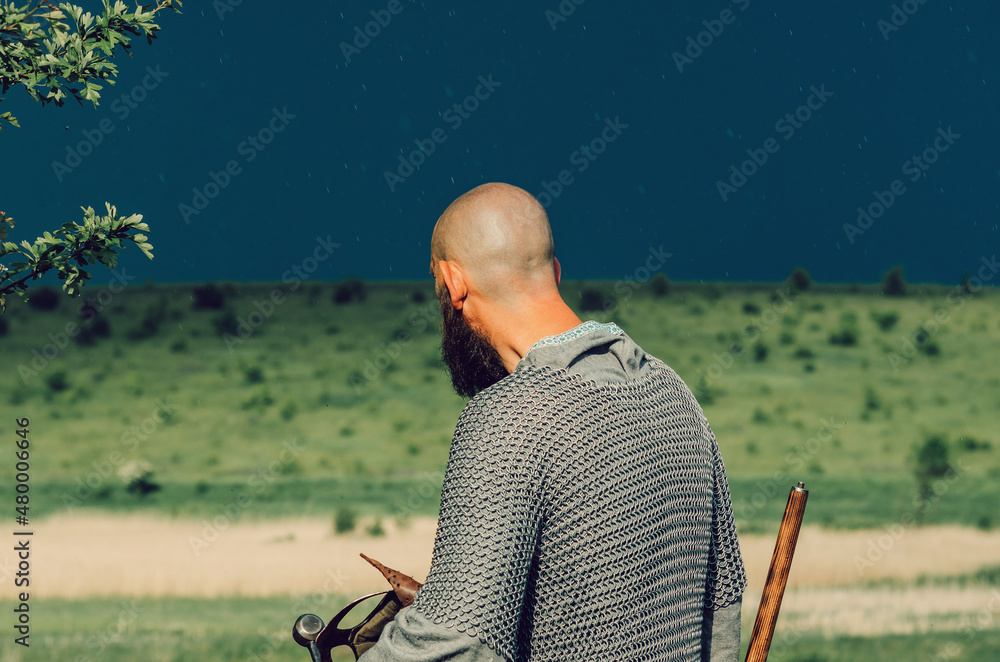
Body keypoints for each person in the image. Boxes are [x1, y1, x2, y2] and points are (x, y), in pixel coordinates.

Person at [360, 182, 746, 661]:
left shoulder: (508, 420)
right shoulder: (672, 392)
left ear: (453, 282)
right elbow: (720, 606)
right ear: (554, 272)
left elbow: (457, 642)